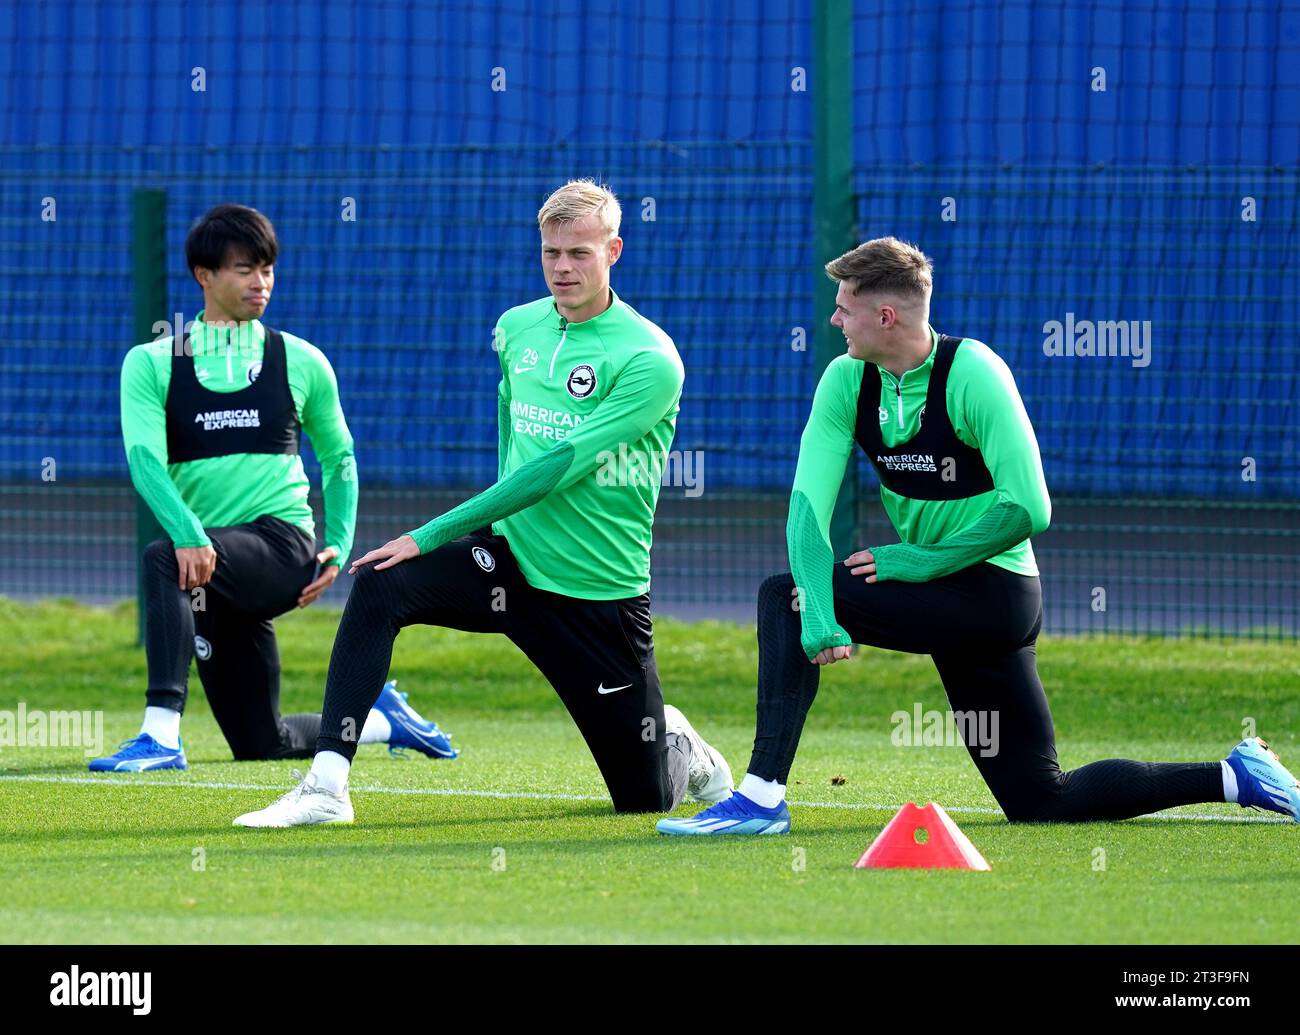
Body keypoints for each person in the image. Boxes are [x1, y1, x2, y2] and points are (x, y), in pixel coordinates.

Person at [658, 235, 1299, 834]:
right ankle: (1235, 776)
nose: (834, 321)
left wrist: (919, 561)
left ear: (885, 316)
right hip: (940, 601)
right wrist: (821, 609)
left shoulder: (974, 373)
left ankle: (762, 797)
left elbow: (1029, 508)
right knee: (1040, 800)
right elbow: (806, 509)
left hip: (994, 597)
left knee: (778, 594)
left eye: (844, 308)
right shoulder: (845, 380)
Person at [233, 180, 731, 827]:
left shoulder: (648, 358)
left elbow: (555, 467)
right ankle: (327, 785)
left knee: (639, 799)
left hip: (596, 598)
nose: (561, 267)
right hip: (511, 561)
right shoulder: (516, 327)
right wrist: (482, 532)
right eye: (550, 251)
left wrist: (433, 531)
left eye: (579, 253)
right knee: (382, 584)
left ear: (615, 250)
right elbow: (511, 429)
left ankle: (678, 742)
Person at [93, 204, 453, 772]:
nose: (259, 282)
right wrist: (189, 532)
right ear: (203, 276)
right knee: (264, 743)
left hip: (281, 547)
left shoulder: (301, 359)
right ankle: (387, 720)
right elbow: (143, 461)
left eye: (266, 268)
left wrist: (337, 539)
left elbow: (339, 458)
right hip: (208, 566)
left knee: (163, 559)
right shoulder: (153, 363)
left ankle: (160, 735)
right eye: (243, 269)